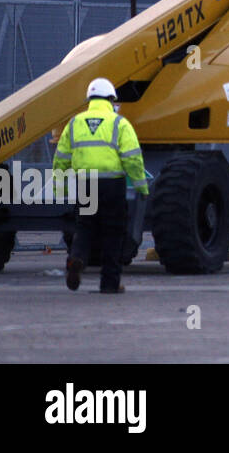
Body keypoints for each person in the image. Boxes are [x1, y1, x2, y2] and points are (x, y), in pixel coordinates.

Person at [53, 78, 147, 294]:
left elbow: (61, 159)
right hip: (113, 184)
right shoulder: (118, 123)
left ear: (89, 100)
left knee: (85, 227)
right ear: (111, 99)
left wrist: (62, 188)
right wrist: (142, 187)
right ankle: (109, 284)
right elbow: (132, 159)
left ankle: (76, 258)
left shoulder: (75, 123)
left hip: (87, 183)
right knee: (113, 233)